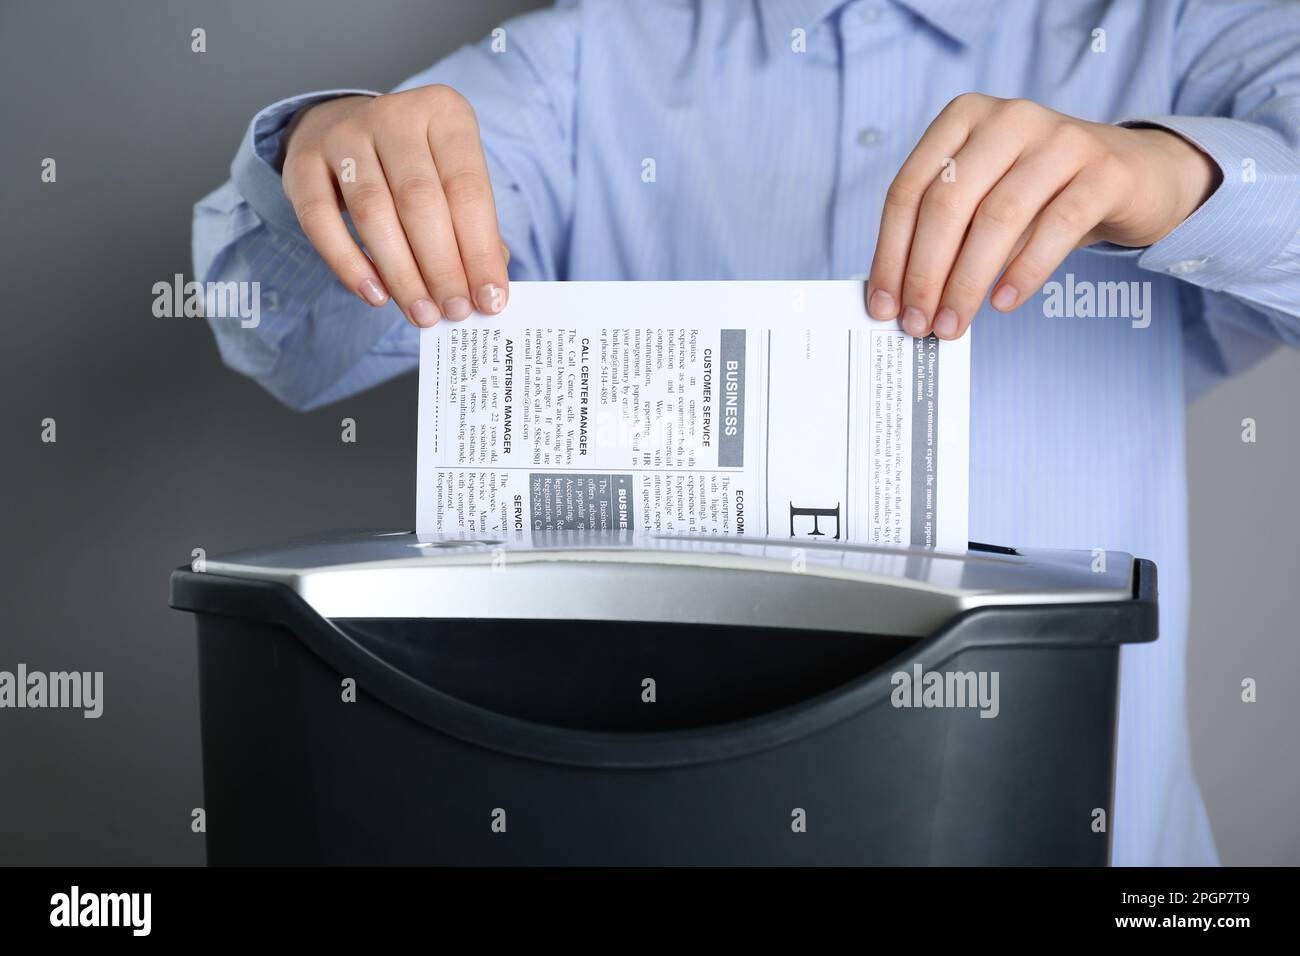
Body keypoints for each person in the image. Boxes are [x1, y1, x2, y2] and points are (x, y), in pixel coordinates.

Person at [192, 0, 1300, 865]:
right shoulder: (581, 66)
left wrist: (1173, 172)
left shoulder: (1180, 32)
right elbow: (286, 339)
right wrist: (327, 152)